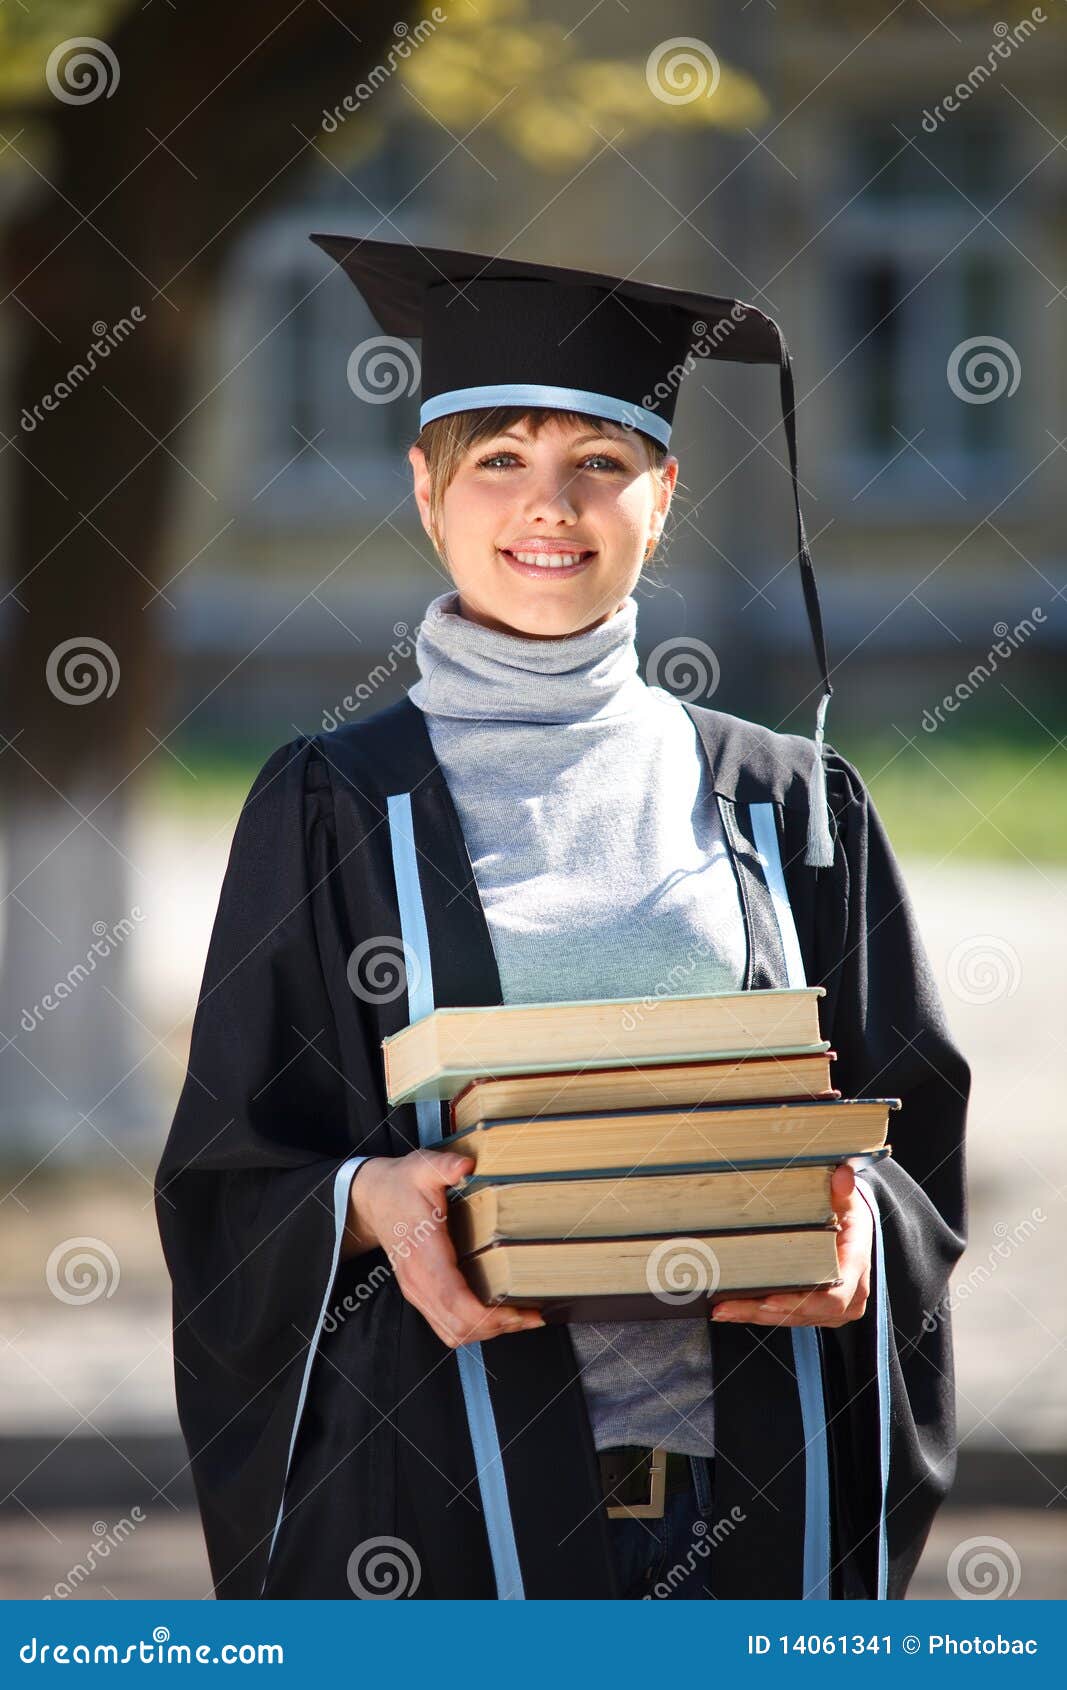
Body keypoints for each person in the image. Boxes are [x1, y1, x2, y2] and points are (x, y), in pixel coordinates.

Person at [154, 237, 970, 1602]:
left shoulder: (786, 802)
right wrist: (374, 1203)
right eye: (500, 460)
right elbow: (231, 1172)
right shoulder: (333, 808)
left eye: (600, 458)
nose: (552, 504)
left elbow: (908, 1138)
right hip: (441, 1511)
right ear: (426, 489)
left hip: (752, 1517)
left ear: (665, 491)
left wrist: (857, 1228)